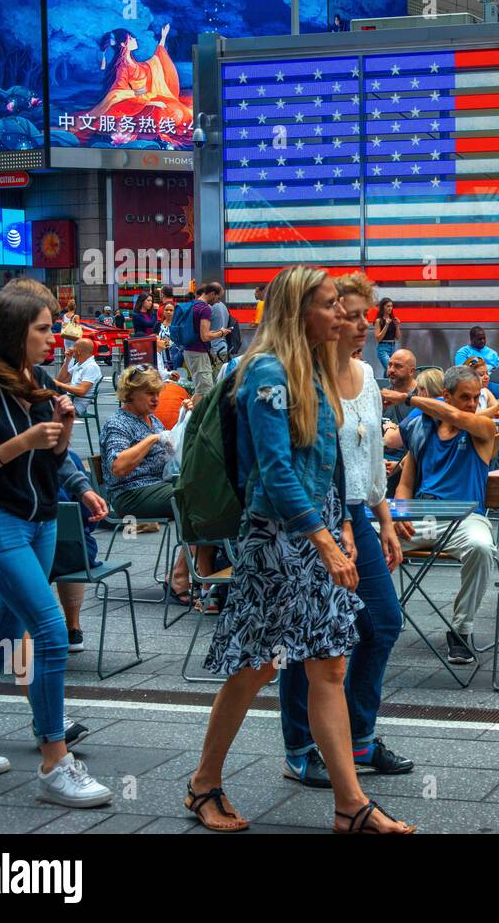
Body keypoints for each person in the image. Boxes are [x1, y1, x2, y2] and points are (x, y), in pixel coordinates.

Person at [189, 265, 413, 834]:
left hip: (313, 534)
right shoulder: (268, 370)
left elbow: (325, 462)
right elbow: (275, 469)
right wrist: (324, 535)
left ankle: (350, 806)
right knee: (257, 666)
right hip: (276, 539)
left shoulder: (312, 367)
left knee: (330, 667)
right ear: (299, 312)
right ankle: (203, 784)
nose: (344, 314)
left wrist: (339, 524)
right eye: (332, 304)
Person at [0, 282, 115, 807]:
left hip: (40, 521)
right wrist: (23, 443)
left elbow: (50, 461)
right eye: (42, 327)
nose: (52, 336)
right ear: (15, 332)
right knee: (51, 632)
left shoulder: (34, 380)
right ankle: (56, 761)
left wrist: (65, 446)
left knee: (6, 631)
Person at [279, 272, 413, 787]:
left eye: (367, 316)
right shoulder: (305, 377)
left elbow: (372, 459)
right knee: (309, 638)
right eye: (350, 314)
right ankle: (300, 745)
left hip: (359, 511)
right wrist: (335, 525)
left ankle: (356, 738)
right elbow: (307, 463)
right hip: (314, 514)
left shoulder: (369, 379)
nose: (361, 325)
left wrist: (384, 521)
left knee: (381, 624)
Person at [389, 365, 499, 664]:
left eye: (477, 397)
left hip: (466, 520)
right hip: (422, 519)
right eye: (465, 397)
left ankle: (461, 629)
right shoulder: (423, 433)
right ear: (446, 396)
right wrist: (399, 518)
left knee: (481, 547)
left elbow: (456, 417)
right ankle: (382, 615)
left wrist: (407, 399)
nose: (473, 404)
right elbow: (406, 485)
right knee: (366, 545)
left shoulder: (484, 429)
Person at [100, 365, 213, 605]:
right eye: (149, 393)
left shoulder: (152, 419)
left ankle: (195, 577)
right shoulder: (118, 423)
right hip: (130, 493)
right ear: (130, 394)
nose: (156, 399)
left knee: (203, 494)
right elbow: (118, 467)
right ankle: (188, 578)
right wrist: (152, 439)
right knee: (196, 496)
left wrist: (187, 420)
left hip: (156, 486)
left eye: (157, 393)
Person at [182, 282, 231, 396]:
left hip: (189, 351)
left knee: (199, 388)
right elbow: (205, 336)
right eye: (218, 297)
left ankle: (194, 412)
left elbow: (199, 332)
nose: (219, 301)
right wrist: (221, 332)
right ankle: (201, 414)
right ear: (213, 294)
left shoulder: (193, 304)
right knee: (205, 391)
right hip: (199, 353)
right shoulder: (205, 308)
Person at [53, 337, 100, 417]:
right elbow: (62, 379)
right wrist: (67, 360)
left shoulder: (91, 367)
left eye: (73, 347)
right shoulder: (79, 364)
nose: (70, 349)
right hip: (69, 400)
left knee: (44, 407)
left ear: (78, 351)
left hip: (76, 407)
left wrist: (59, 384)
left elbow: (81, 391)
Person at [373, 297, 399, 373]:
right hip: (383, 348)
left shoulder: (393, 320)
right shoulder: (379, 321)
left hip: (393, 347)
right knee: (391, 369)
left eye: (391, 306)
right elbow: (378, 338)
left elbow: (397, 337)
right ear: (383, 307)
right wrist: (386, 325)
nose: (390, 308)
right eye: (388, 306)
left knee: (389, 371)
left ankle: (385, 383)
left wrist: (397, 326)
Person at [209, 288, 232, 364]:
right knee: (220, 375)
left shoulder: (209, 307)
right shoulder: (223, 306)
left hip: (214, 349)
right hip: (223, 347)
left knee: (214, 375)